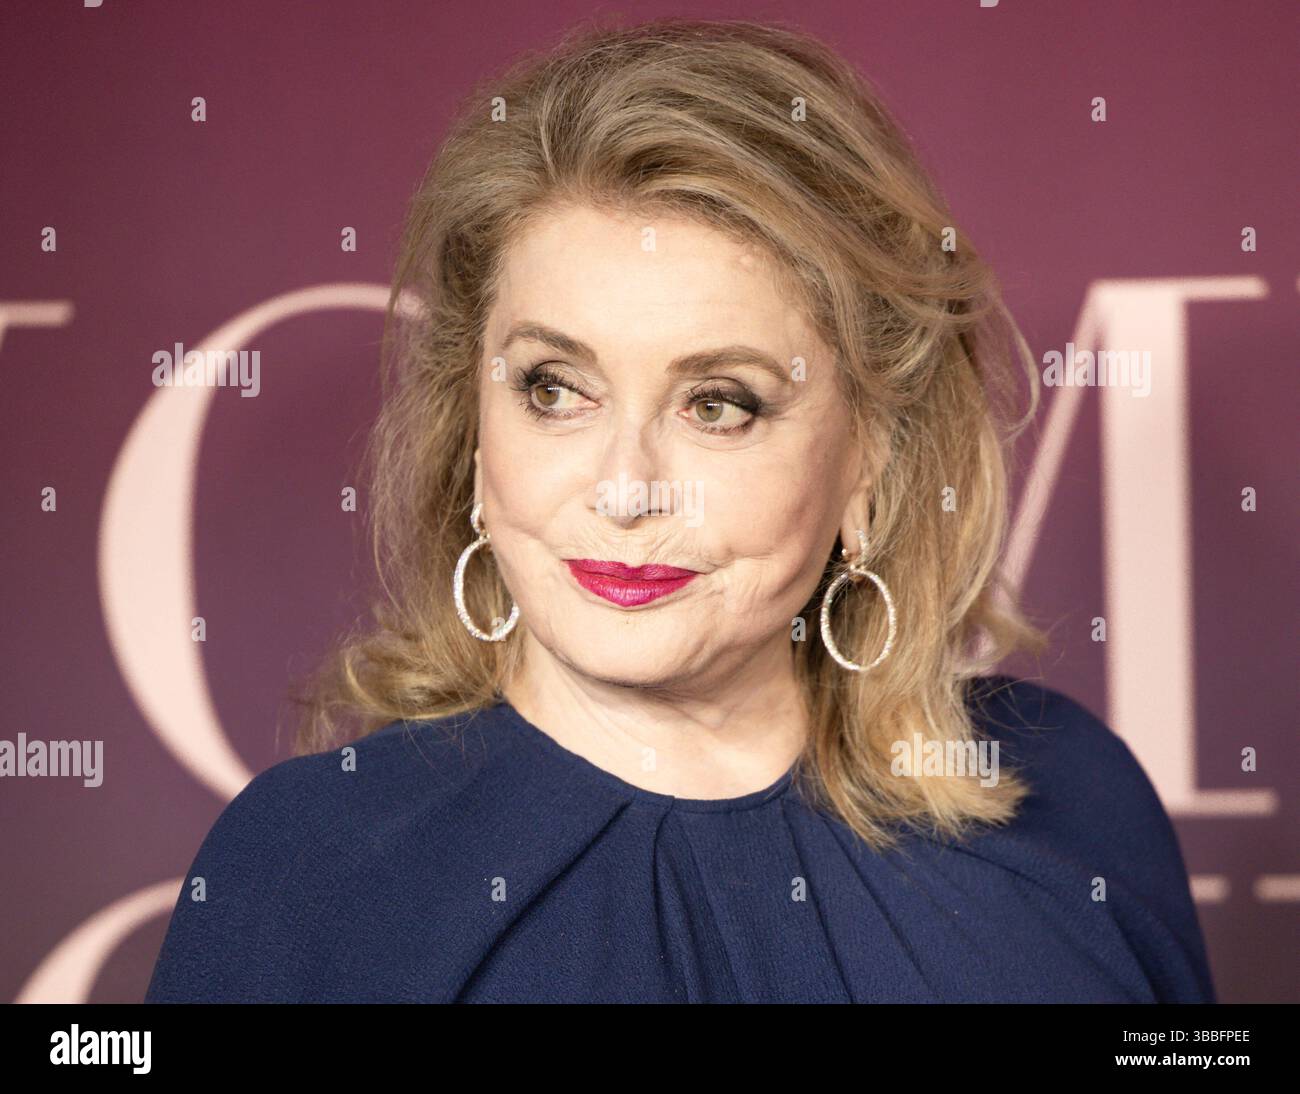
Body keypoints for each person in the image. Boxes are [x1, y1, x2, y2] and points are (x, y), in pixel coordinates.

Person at [144, 17, 1215, 1003]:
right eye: (553, 389)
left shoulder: (1069, 805)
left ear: (871, 459)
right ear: (470, 428)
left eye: (719, 404)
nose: (624, 488)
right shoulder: (307, 879)